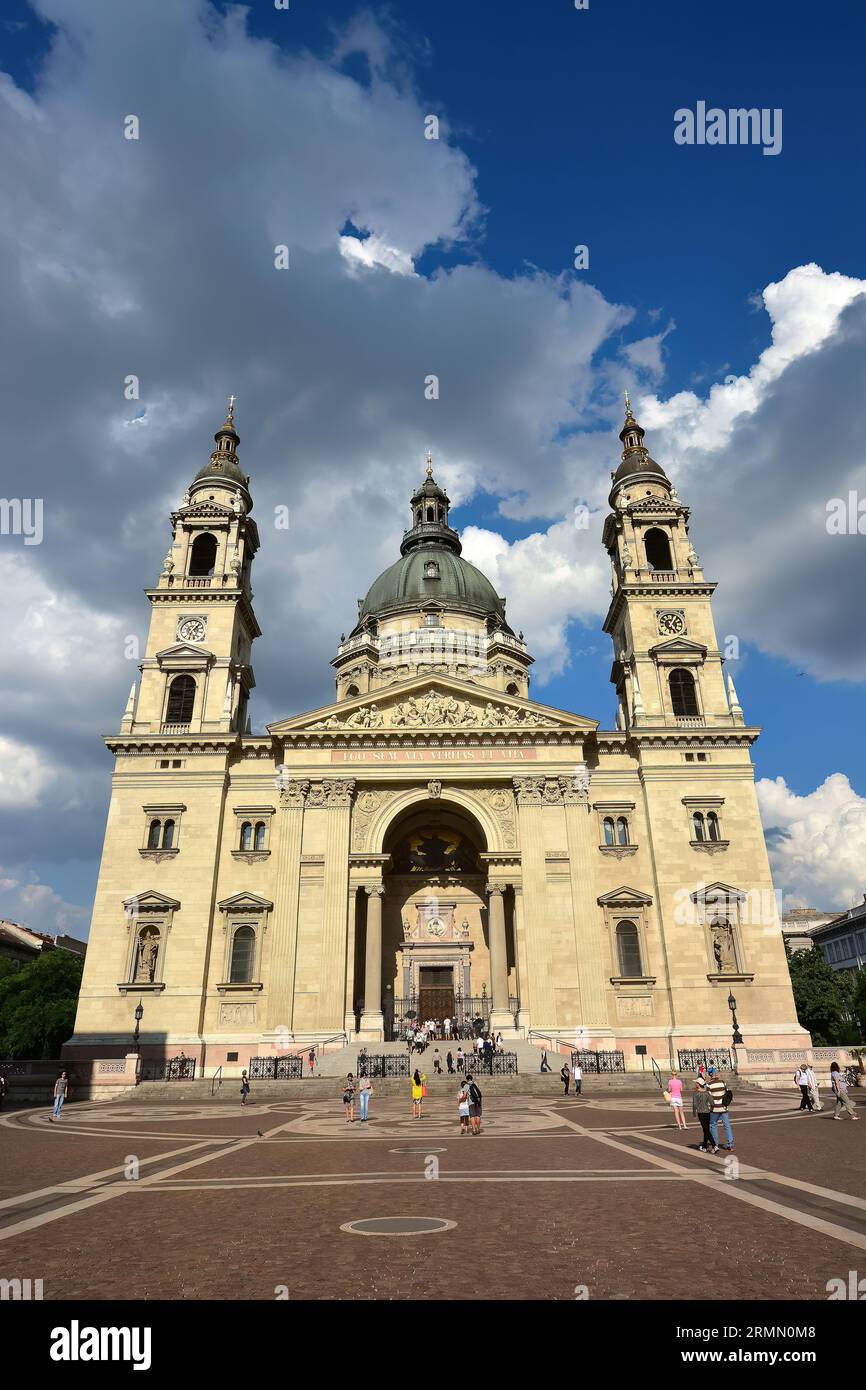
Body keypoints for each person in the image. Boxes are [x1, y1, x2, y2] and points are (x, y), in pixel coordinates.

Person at [706, 1065, 733, 1151]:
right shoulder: (722, 1082)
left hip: (714, 1108)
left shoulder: (709, 1085)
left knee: (713, 1125)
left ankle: (716, 1144)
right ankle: (730, 1144)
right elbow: (727, 1094)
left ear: (710, 1075)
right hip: (724, 1107)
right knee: (727, 1125)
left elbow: (708, 1098)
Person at [692, 1073, 715, 1152]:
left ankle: (714, 1145)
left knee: (706, 1130)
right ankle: (704, 1147)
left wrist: (694, 1113)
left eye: (696, 1083)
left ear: (699, 1084)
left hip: (701, 1113)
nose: (695, 1084)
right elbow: (712, 1103)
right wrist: (711, 1109)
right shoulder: (707, 1093)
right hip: (707, 1112)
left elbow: (694, 1104)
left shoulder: (696, 1093)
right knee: (706, 1129)